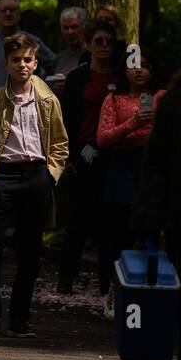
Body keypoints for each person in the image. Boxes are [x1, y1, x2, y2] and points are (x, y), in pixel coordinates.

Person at [0, 33, 68, 338]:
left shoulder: (48, 100)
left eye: (27, 59)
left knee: (30, 251)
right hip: (3, 174)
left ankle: (21, 319)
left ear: (36, 62)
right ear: (6, 63)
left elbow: (60, 142)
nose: (22, 65)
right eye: (16, 60)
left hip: (36, 175)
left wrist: (50, 174)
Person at [94, 51, 164, 315]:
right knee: (120, 234)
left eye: (145, 65)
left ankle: (152, 292)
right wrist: (134, 123)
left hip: (153, 168)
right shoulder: (114, 99)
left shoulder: (162, 98)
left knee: (150, 233)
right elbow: (103, 138)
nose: (139, 70)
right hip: (122, 168)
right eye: (133, 65)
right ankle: (115, 289)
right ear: (124, 72)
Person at [57, 21, 120, 295]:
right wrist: (68, 155)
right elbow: (67, 117)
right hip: (83, 152)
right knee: (78, 219)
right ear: (90, 44)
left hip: (115, 154)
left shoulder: (122, 76)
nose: (104, 45)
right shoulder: (79, 77)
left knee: (109, 220)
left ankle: (107, 282)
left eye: (108, 40)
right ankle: (66, 279)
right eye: (98, 40)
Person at [133, 66, 181, 360]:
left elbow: (156, 165)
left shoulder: (175, 102)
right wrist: (150, 215)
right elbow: (157, 164)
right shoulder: (176, 103)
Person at [53, 6, 88, 82]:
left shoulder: (93, 56)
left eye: (74, 27)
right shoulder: (58, 59)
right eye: (65, 28)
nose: (70, 32)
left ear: (84, 27)